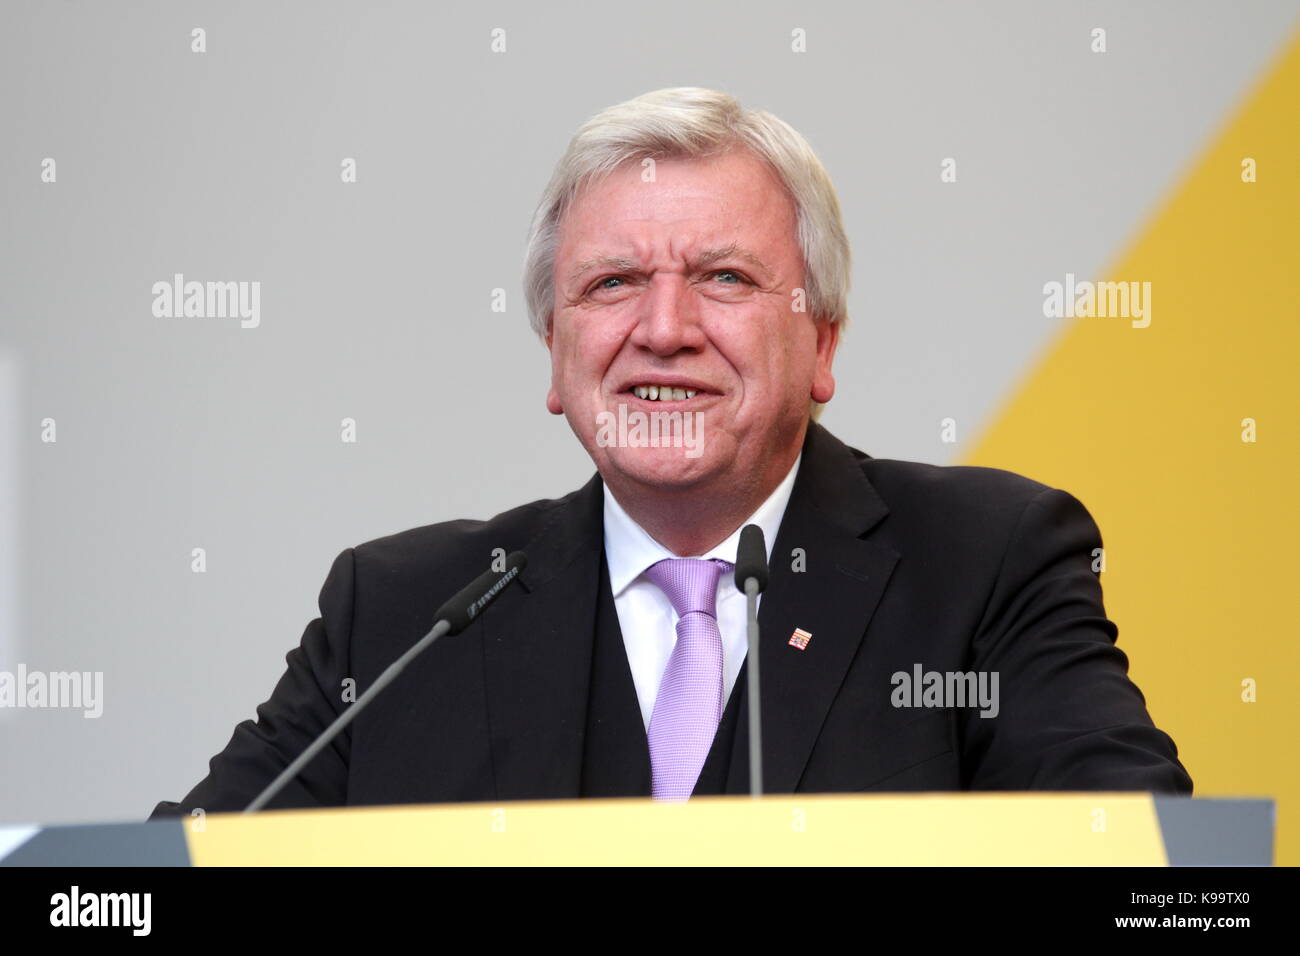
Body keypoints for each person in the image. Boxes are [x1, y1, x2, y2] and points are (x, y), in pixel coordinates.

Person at [151, 87, 1190, 817]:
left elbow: (1152, 875)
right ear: (556, 358)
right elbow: (155, 888)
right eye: (610, 285)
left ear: (821, 339)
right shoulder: (398, 613)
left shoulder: (986, 562)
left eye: (724, 278)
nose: (663, 327)